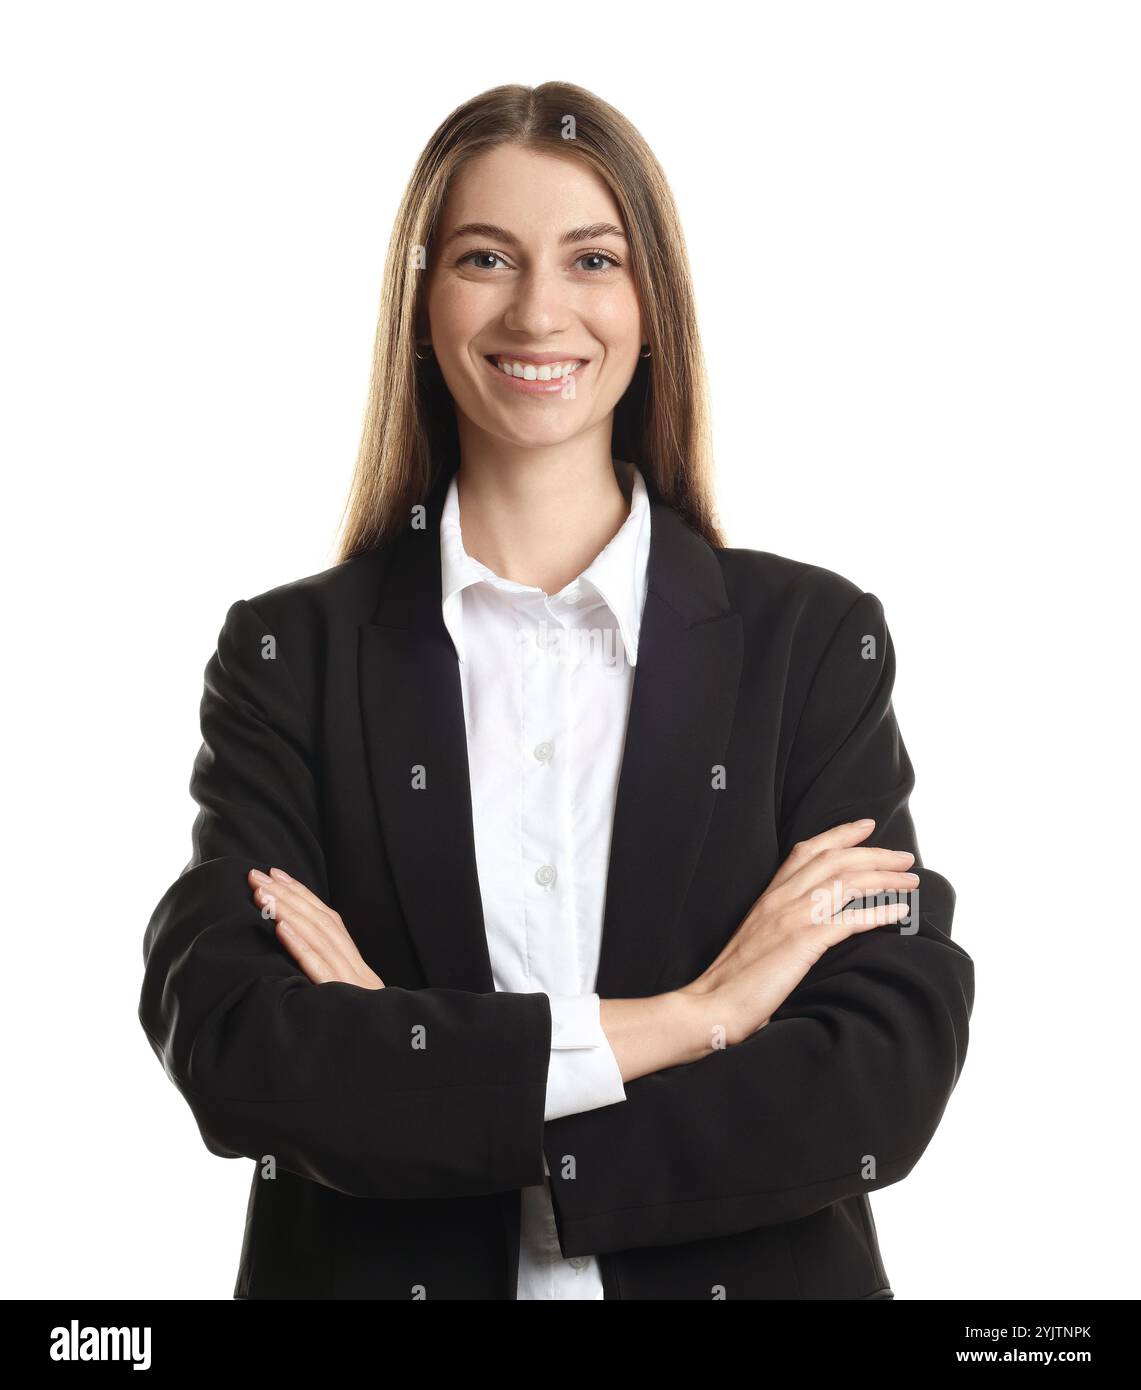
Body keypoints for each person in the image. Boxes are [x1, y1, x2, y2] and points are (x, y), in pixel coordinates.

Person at [139, 81, 974, 1300]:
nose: (540, 309)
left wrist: (432, 1083)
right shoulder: (289, 656)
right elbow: (239, 1047)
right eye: (486, 256)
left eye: (592, 258)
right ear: (422, 301)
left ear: (650, 308)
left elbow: (882, 1067)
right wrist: (701, 1014)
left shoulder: (808, 641)